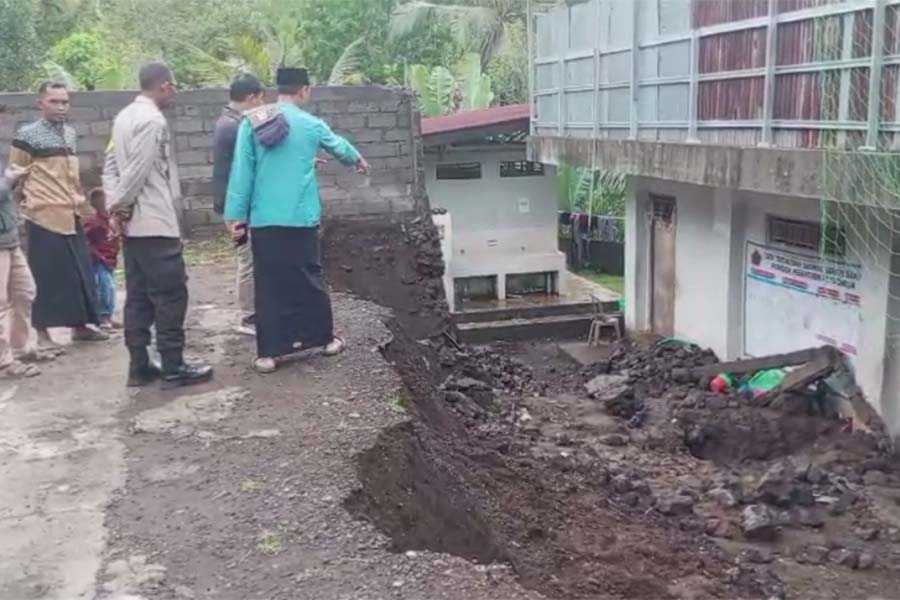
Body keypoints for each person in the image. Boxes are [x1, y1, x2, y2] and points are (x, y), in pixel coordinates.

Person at [225, 67, 369, 374]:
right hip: (301, 219)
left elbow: (242, 173)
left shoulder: (252, 122)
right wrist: (357, 159)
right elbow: (339, 147)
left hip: (264, 220)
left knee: (269, 284)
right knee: (309, 279)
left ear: (279, 90)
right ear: (304, 91)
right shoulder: (311, 124)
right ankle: (324, 340)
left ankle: (269, 355)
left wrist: (235, 217)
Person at [103, 61, 213, 388]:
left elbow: (110, 166)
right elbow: (137, 171)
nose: (174, 91)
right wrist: (118, 209)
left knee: (138, 297)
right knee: (171, 295)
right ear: (164, 85)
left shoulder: (123, 117)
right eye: (173, 86)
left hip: (135, 231)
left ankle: (139, 367)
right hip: (154, 223)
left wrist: (114, 206)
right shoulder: (153, 120)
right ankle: (173, 366)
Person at [5, 81, 108, 346]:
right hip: (42, 214)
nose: (61, 106)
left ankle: (81, 326)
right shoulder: (28, 135)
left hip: (70, 212)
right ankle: (43, 333)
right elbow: (14, 175)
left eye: (65, 101)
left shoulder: (70, 134)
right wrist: (19, 212)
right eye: (54, 101)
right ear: (40, 104)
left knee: (78, 271)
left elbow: (72, 176)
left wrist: (83, 206)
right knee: (47, 275)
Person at [212, 73, 265, 336]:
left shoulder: (227, 122)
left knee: (250, 258)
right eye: (260, 99)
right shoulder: (236, 127)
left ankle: (254, 311)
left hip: (233, 204)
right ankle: (248, 317)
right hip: (237, 208)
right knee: (248, 260)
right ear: (252, 97)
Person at [0, 161, 40, 379]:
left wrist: (11, 181)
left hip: (9, 239)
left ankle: (19, 349)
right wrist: (9, 179)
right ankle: (3, 364)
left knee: (25, 292)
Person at [83, 187, 120, 330]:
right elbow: (86, 241)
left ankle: (109, 316)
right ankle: (103, 317)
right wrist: (98, 256)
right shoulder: (93, 222)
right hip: (100, 260)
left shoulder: (110, 220)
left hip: (110, 259)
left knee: (111, 289)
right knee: (105, 287)